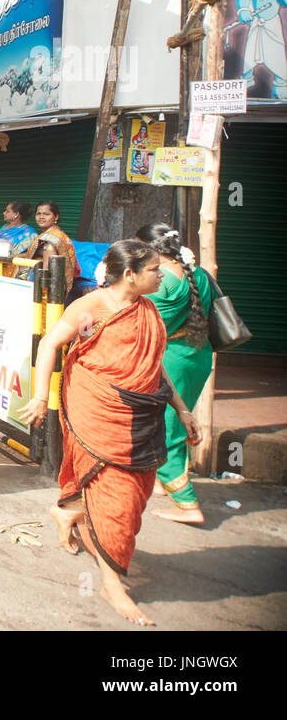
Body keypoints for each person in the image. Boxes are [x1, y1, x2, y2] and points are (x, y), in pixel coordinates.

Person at [25, 240, 200, 627]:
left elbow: (154, 367)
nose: (161, 275)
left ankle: (67, 510)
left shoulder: (149, 310)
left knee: (134, 492)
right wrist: (40, 397)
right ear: (130, 275)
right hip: (96, 407)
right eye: (155, 269)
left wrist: (183, 409)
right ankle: (111, 583)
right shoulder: (91, 308)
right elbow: (52, 344)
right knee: (115, 496)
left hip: (140, 416)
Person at [137, 223, 214, 525]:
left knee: (166, 430)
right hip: (196, 355)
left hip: (171, 362)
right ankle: (158, 482)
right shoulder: (197, 272)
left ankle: (187, 505)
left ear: (150, 249)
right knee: (169, 422)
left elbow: (146, 324)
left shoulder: (160, 281)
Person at [30, 200, 79, 285]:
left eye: (46, 214)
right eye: (38, 214)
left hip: (46, 286)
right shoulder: (48, 234)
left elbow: (46, 270)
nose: (41, 217)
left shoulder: (51, 240)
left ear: (56, 217)